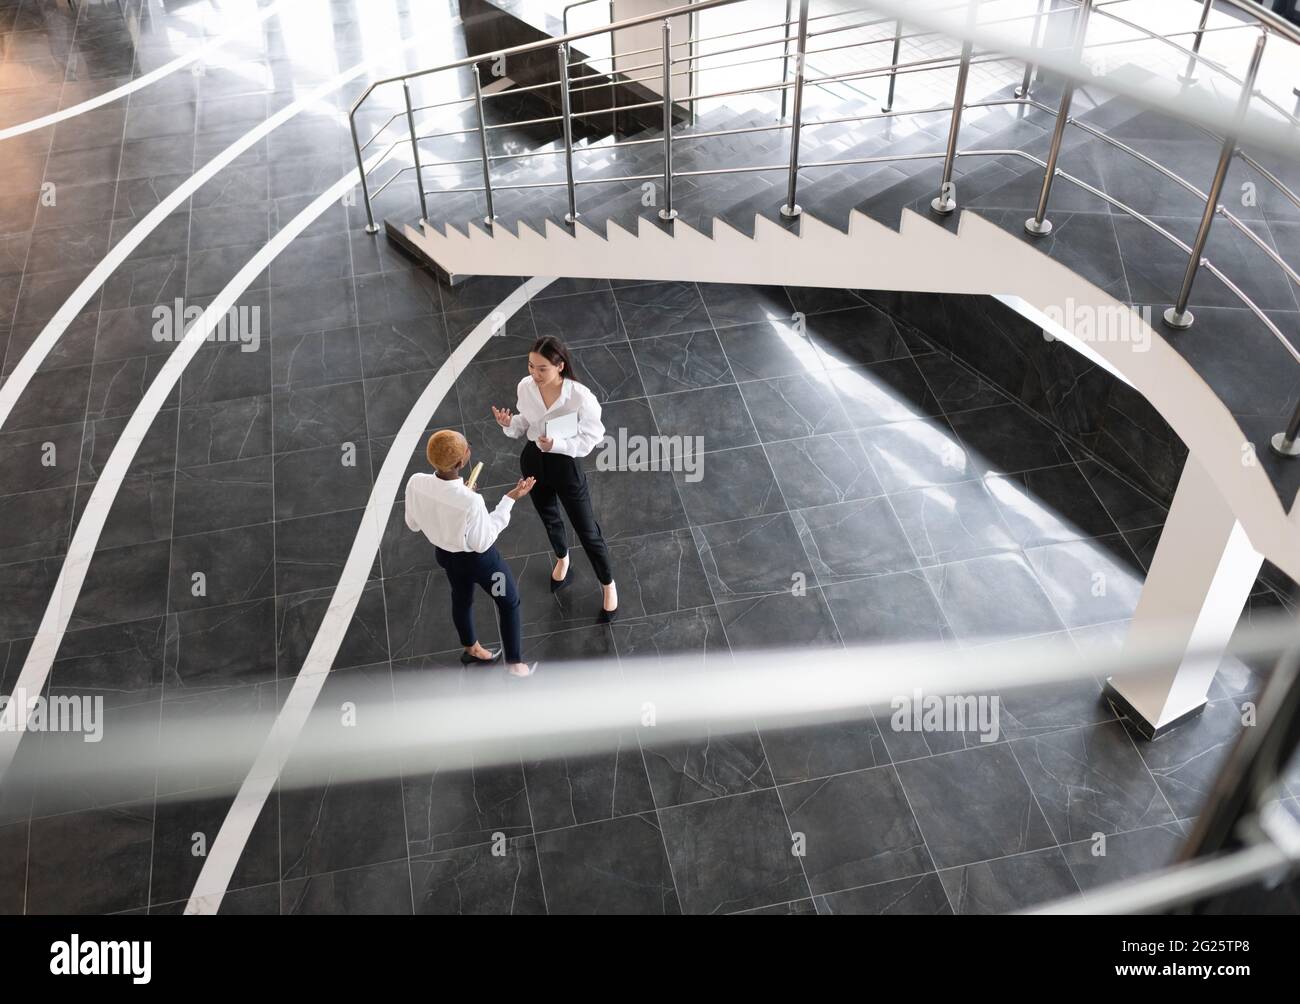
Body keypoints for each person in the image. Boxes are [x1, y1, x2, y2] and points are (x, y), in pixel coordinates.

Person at [491, 336, 618, 620]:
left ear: (560, 366)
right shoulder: (525, 387)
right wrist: (509, 423)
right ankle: (562, 558)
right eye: (530, 366)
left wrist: (557, 445)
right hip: (533, 460)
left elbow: (593, 436)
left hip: (565, 464)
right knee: (549, 517)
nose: (534, 374)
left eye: (542, 369)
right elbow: (526, 423)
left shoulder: (580, 397)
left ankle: (608, 584)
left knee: (587, 529)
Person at [404, 429, 538, 678]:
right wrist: (509, 499)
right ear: (461, 462)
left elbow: (413, 524)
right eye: (467, 448)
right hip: (481, 563)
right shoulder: (471, 502)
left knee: (461, 599)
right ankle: (515, 665)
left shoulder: (415, 482)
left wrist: (462, 500)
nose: (469, 450)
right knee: (509, 602)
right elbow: (482, 541)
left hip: (446, 557)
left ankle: (472, 649)